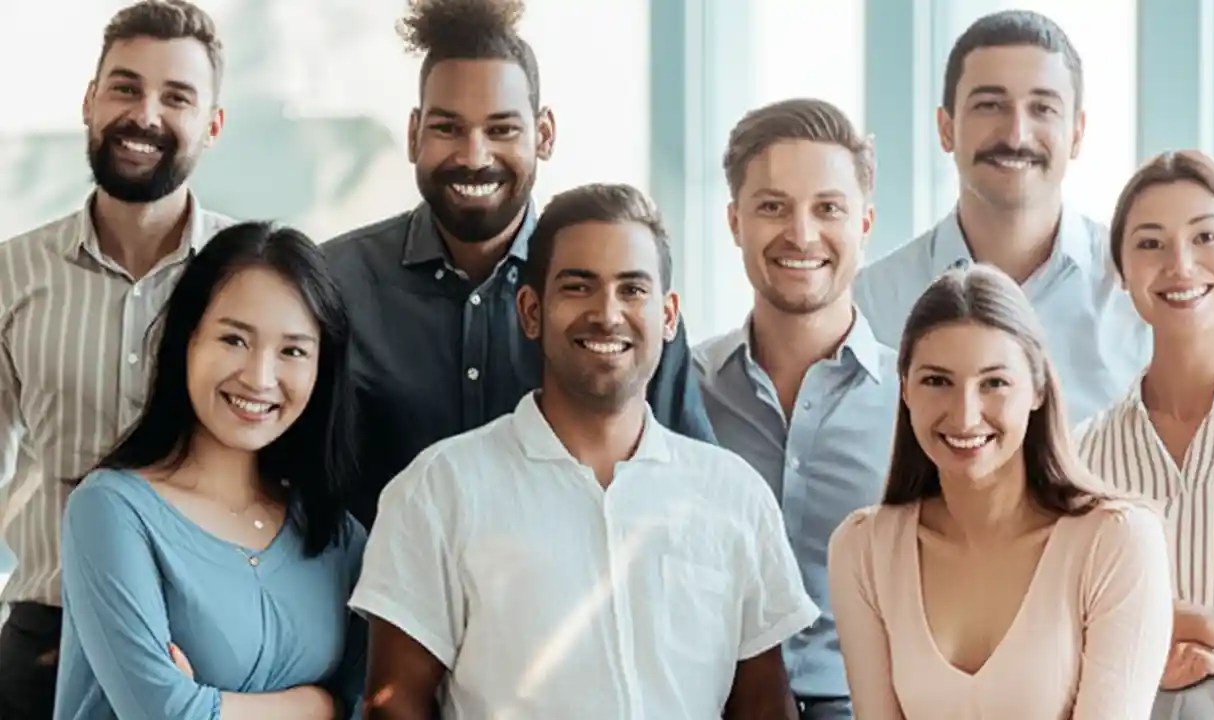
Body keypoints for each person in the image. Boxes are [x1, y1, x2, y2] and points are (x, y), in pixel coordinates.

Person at [350, 183, 819, 720]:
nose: (607, 313)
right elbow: (394, 704)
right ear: (531, 311)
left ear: (668, 317)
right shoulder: (439, 489)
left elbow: (764, 703)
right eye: (578, 287)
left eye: (632, 290)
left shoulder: (733, 495)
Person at [322, 0, 714, 527]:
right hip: (379, 602)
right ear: (414, 133)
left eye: (502, 129)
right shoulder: (335, 284)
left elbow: (694, 485)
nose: (474, 155)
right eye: (447, 128)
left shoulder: (615, 302)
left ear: (544, 134)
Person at [0, 2, 231, 715]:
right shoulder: (11, 275)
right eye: (126, 88)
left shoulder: (249, 279)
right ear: (90, 101)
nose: (145, 115)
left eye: (177, 97)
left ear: (212, 126)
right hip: (46, 639)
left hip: (203, 644)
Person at [829, 263, 1172, 719]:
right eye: (937, 381)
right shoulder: (862, 549)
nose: (966, 415)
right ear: (905, 391)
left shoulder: (1117, 541)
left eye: (994, 383)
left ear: (1037, 390)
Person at [54, 222, 367, 719]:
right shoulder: (110, 510)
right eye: (234, 339)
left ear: (320, 370)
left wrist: (215, 706)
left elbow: (365, 703)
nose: (260, 378)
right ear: (187, 340)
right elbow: (163, 713)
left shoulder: (334, 533)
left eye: (293, 351)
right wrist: (316, 705)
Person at [694, 98, 897, 720]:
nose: (801, 234)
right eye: (772, 207)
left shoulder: (922, 400)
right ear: (735, 222)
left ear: (864, 224)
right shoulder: (680, 389)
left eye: (827, 208)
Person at [854, 9, 1148, 425]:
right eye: (990, 106)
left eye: (1043, 108)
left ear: (1077, 134)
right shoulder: (871, 306)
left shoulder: (1137, 298)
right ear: (946, 128)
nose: (1015, 135)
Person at [1076, 150, 1214, 718]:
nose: (1181, 266)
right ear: (1120, 270)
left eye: (1206, 237)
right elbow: (1071, 643)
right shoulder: (1082, 454)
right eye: (1150, 243)